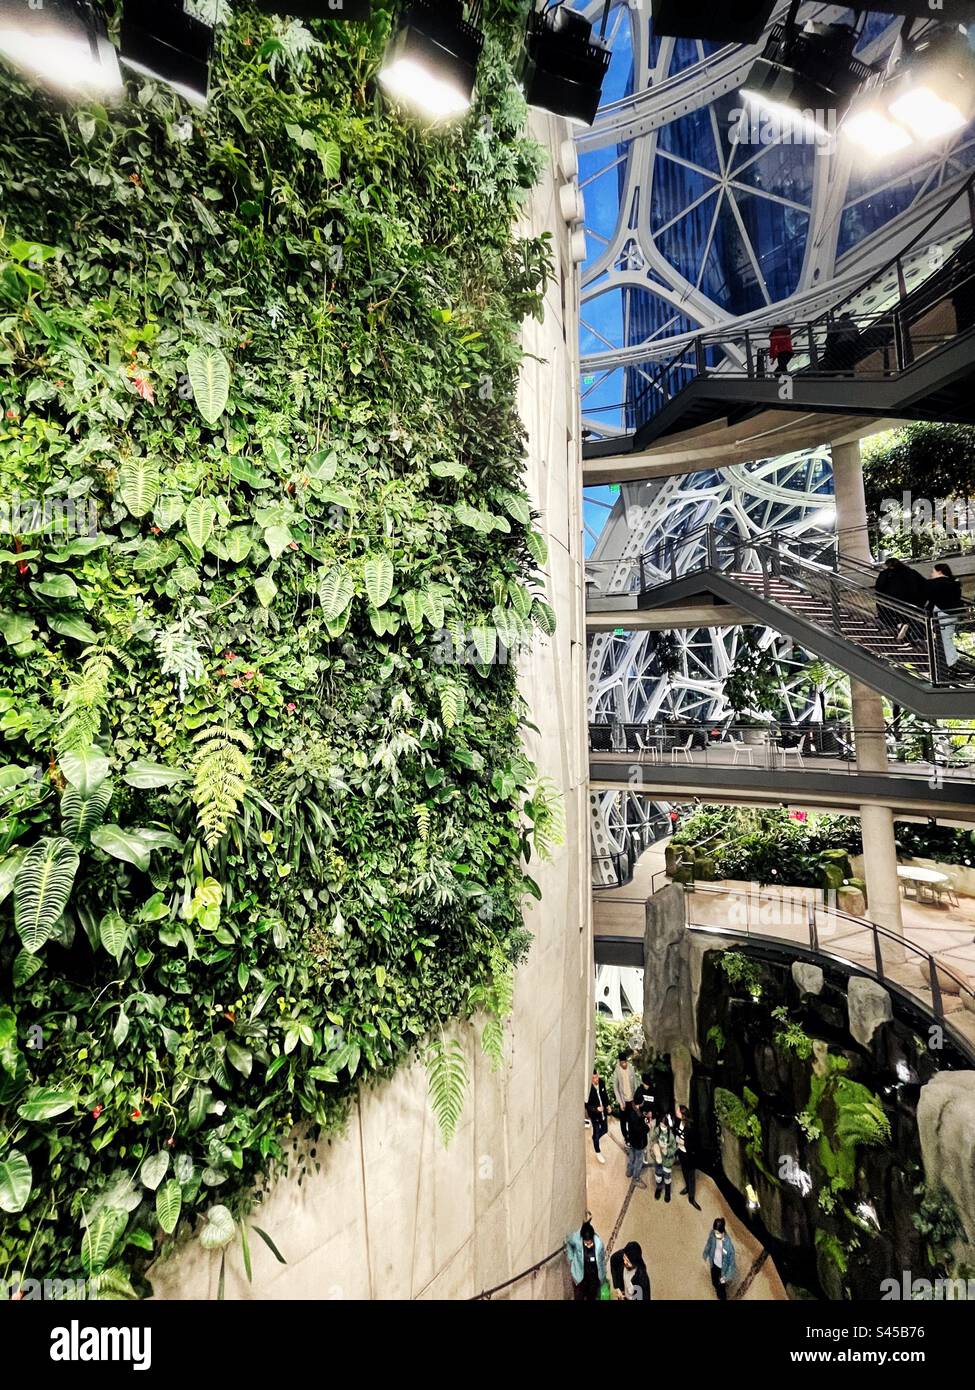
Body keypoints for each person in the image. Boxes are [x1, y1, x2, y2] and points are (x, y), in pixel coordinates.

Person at [874, 557, 927, 642]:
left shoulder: (886, 574)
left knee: (887, 616)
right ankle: (915, 638)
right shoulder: (911, 572)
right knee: (912, 619)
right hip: (912, 602)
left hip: (891, 602)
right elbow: (924, 584)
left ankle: (898, 626)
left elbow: (879, 587)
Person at [927, 562, 964, 672]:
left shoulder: (935, 583)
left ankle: (952, 663)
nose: (931, 574)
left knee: (946, 639)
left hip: (943, 614)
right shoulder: (954, 583)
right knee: (948, 637)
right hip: (954, 613)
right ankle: (952, 662)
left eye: (933, 571)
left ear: (939, 571)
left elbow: (931, 600)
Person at [565, 1220, 607, 1301]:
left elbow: (602, 1261)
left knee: (591, 1297)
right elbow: (568, 1241)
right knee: (578, 1297)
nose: (588, 1246)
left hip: (593, 1279)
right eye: (586, 1243)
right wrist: (571, 1258)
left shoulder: (599, 1245)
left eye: (590, 1243)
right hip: (580, 1278)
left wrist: (602, 1277)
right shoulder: (576, 1239)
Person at [674, 1105, 701, 1210]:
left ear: (683, 1115)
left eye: (678, 1111)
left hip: (689, 1155)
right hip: (681, 1152)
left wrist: (684, 1143)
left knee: (691, 1176)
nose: (676, 1111)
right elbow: (677, 1132)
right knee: (684, 1171)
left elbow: (694, 1143)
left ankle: (691, 1197)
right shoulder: (678, 1122)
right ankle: (687, 1188)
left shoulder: (690, 1127)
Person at [703, 1217, 737, 1300]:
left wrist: (725, 1277)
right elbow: (709, 1243)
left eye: (717, 1233)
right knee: (714, 1283)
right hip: (714, 1265)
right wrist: (706, 1253)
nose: (715, 1234)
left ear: (723, 1232)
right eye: (715, 1232)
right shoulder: (713, 1234)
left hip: (723, 1269)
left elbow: (731, 1264)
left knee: (721, 1290)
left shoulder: (728, 1245)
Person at [650, 1111, 677, 1203]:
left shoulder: (672, 1136)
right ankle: (658, 1188)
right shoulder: (658, 1130)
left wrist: (667, 1152)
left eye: (663, 1125)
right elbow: (652, 1138)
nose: (661, 1126)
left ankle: (667, 1192)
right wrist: (653, 1131)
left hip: (667, 1161)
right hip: (659, 1158)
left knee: (667, 1177)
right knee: (658, 1175)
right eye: (660, 1123)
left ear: (668, 1125)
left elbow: (674, 1149)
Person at [586, 1070, 611, 1165]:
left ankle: (594, 1138)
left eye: (596, 1077)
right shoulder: (588, 1089)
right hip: (595, 1115)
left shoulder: (601, 1082)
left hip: (603, 1113)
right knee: (596, 1133)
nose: (596, 1079)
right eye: (593, 1078)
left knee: (605, 1130)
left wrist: (608, 1105)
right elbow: (587, 1105)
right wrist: (596, 1109)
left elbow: (605, 1096)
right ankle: (598, 1151)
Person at [613, 1051, 637, 1145]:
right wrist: (620, 1102)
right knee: (623, 1121)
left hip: (631, 1099)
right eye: (622, 1063)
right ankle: (626, 1138)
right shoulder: (617, 1071)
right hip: (623, 1101)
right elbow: (615, 1087)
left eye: (625, 1062)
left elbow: (635, 1082)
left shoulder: (631, 1068)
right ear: (619, 1062)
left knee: (631, 1120)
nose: (624, 1064)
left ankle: (631, 1137)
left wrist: (635, 1098)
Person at [626, 1101, 649, 1186]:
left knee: (631, 1156)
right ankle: (636, 1177)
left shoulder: (631, 1110)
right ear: (639, 1103)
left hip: (632, 1140)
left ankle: (629, 1171)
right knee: (639, 1160)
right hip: (639, 1142)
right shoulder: (638, 1116)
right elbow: (640, 1130)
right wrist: (648, 1127)